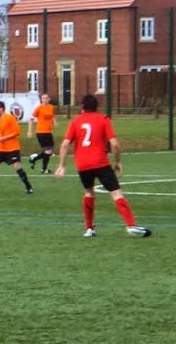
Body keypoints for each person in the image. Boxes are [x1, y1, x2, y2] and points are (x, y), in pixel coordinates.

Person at [53, 94, 152, 238]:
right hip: (101, 163)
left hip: (83, 165)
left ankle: (89, 229)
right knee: (116, 193)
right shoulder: (103, 119)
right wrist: (118, 162)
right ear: (96, 107)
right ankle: (131, 225)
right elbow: (115, 144)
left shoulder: (76, 121)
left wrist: (62, 165)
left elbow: (64, 144)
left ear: (82, 107)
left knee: (89, 192)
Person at [27, 93, 57, 174]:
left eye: (46, 98)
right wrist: (29, 131)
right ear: (41, 100)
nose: (45, 100)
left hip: (48, 132)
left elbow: (52, 116)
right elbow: (31, 119)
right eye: (43, 98)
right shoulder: (39, 108)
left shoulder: (51, 107)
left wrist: (54, 122)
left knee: (49, 151)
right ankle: (42, 166)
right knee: (48, 151)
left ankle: (37, 162)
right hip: (41, 132)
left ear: (49, 99)